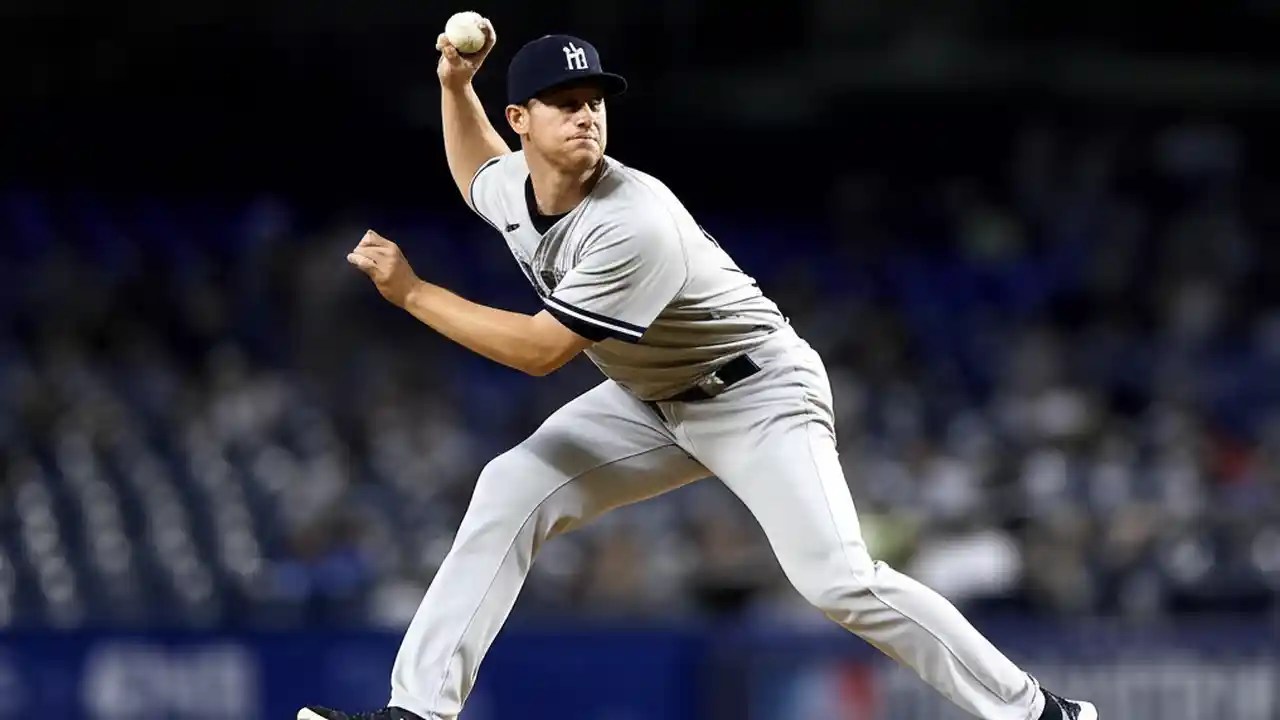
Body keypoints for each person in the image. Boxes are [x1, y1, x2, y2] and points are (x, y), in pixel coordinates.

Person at [299, 18, 1099, 720]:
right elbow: (477, 170)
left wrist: (412, 295)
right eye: (565, 102)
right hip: (652, 398)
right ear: (521, 120)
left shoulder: (634, 217)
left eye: (595, 101)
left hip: (758, 394)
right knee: (509, 488)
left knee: (838, 581)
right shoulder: (516, 183)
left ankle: (1037, 712)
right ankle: (418, 713)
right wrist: (453, 84)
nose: (586, 115)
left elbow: (540, 354)